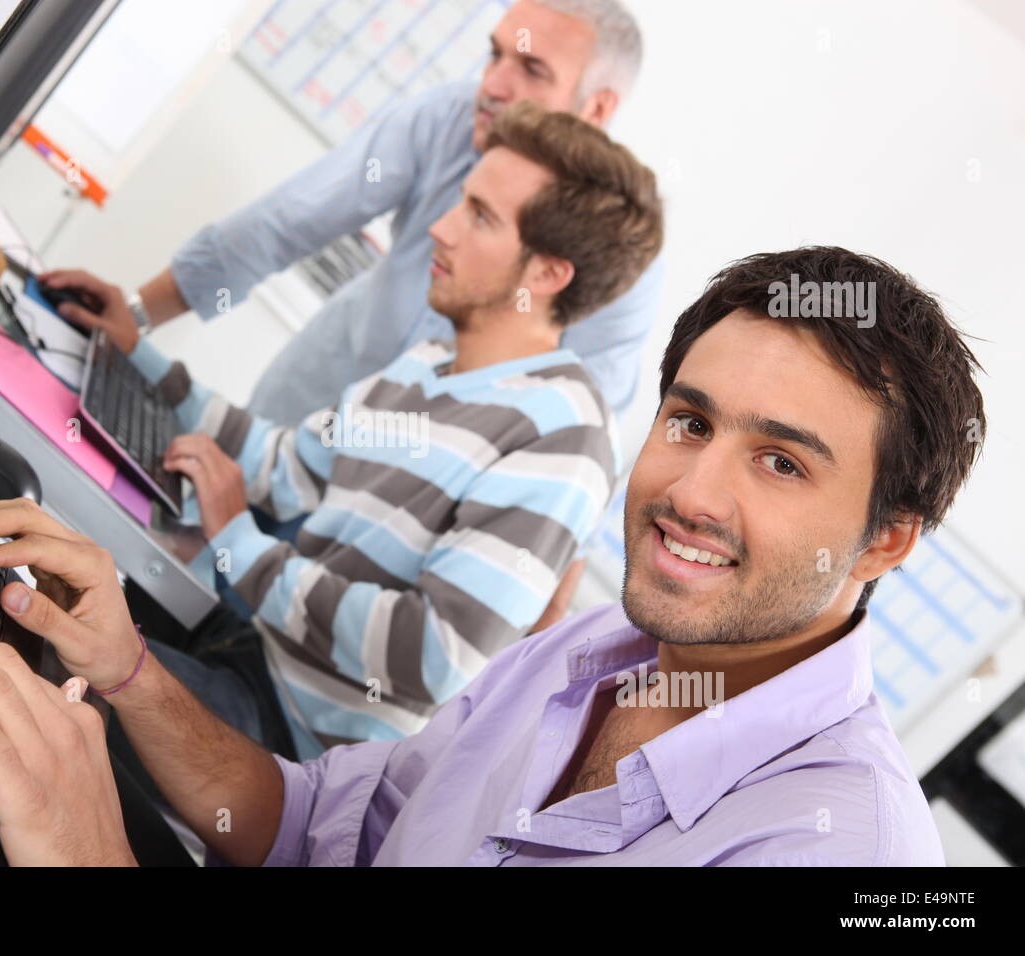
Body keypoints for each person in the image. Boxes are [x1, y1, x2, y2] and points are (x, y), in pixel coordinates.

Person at [0, 245, 985, 866]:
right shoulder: (583, 656)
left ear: (885, 539)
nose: (692, 492)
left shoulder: (836, 849)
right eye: (691, 422)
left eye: (782, 464)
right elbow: (311, 825)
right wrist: (129, 665)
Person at [115, 101, 661, 759]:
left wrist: (240, 545)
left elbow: (432, 653)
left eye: (480, 217)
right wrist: (142, 357)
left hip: (294, 743)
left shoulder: (564, 439)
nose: (440, 228)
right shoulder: (424, 367)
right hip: (241, 641)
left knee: (52, 692)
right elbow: (286, 469)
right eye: (461, 202)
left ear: (547, 275)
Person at [41, 0, 662, 425]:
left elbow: (580, 425)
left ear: (597, 109)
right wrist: (139, 317)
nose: (493, 86)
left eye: (530, 69)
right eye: (494, 55)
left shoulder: (620, 252)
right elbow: (287, 221)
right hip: (317, 394)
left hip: (415, 486)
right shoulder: (448, 117)